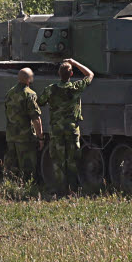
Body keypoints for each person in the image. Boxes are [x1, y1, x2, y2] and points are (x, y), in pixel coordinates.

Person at [40, 58, 94, 193]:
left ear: (59, 73)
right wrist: (74, 63)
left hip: (56, 128)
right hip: (72, 128)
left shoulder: (50, 90)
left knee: (58, 159)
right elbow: (90, 74)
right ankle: (73, 189)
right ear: (71, 74)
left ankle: (60, 189)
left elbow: (40, 102)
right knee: (72, 159)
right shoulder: (76, 87)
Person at [3, 67, 44, 180]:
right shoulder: (30, 94)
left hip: (11, 135)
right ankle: (27, 189)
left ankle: (12, 187)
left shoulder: (9, 93)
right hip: (25, 137)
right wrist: (40, 137)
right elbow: (36, 118)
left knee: (12, 165)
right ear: (29, 79)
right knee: (28, 167)